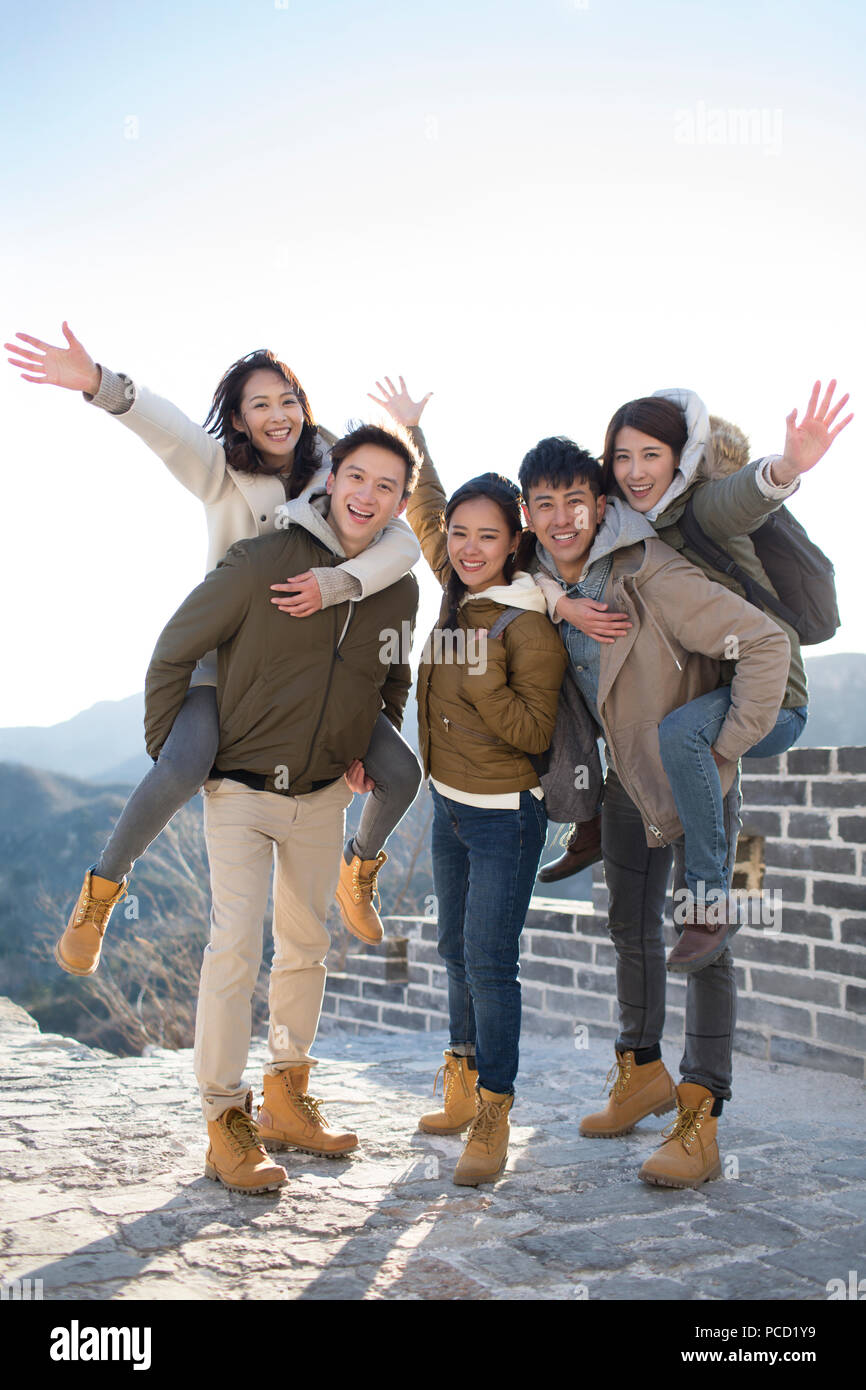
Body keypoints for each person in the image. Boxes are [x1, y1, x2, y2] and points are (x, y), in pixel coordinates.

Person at [5, 325, 422, 964]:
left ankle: (357, 872)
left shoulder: (335, 468)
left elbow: (404, 542)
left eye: (287, 400)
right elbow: (168, 427)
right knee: (184, 762)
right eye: (259, 405)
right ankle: (102, 890)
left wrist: (340, 582)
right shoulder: (221, 471)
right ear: (239, 418)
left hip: (317, 674)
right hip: (227, 662)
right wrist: (98, 383)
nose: (277, 415)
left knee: (400, 772)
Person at [139, 421, 420, 1193]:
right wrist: (178, 750)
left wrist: (371, 737)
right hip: (239, 789)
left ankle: (285, 1097)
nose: (367, 494)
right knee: (234, 948)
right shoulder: (263, 558)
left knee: (305, 946)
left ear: (400, 502)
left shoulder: (400, 584)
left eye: (386, 486)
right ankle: (224, 1119)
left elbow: (392, 674)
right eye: (357, 477)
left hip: (322, 794)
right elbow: (173, 647)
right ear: (333, 479)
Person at [518, 434, 791, 1187]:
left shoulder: (654, 574)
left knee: (706, 940)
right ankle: (640, 1073)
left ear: (600, 505)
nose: (563, 518)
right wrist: (552, 595)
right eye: (547, 505)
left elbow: (765, 644)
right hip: (628, 784)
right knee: (628, 928)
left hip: (707, 786)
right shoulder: (536, 572)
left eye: (577, 501)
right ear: (529, 515)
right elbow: (452, 538)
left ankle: (701, 1116)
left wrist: (721, 751)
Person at [537, 382, 852, 961]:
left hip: (773, 696)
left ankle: (709, 904)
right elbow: (541, 551)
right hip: (712, 696)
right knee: (565, 666)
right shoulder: (623, 525)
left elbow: (743, 496)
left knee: (681, 735)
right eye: (622, 457)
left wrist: (786, 466)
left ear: (679, 460)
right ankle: (588, 822)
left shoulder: (697, 508)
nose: (635, 471)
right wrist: (557, 599)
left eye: (651, 456)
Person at [369, 377, 567, 1187]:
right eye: (461, 535)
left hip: (506, 818)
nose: (469, 546)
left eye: (489, 536)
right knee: (452, 947)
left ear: (516, 542)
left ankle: (495, 1109)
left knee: (490, 960)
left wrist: (483, 672)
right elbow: (425, 505)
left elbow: (533, 736)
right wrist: (413, 434)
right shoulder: (455, 588)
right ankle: (458, 1079)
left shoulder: (529, 624)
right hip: (449, 809)